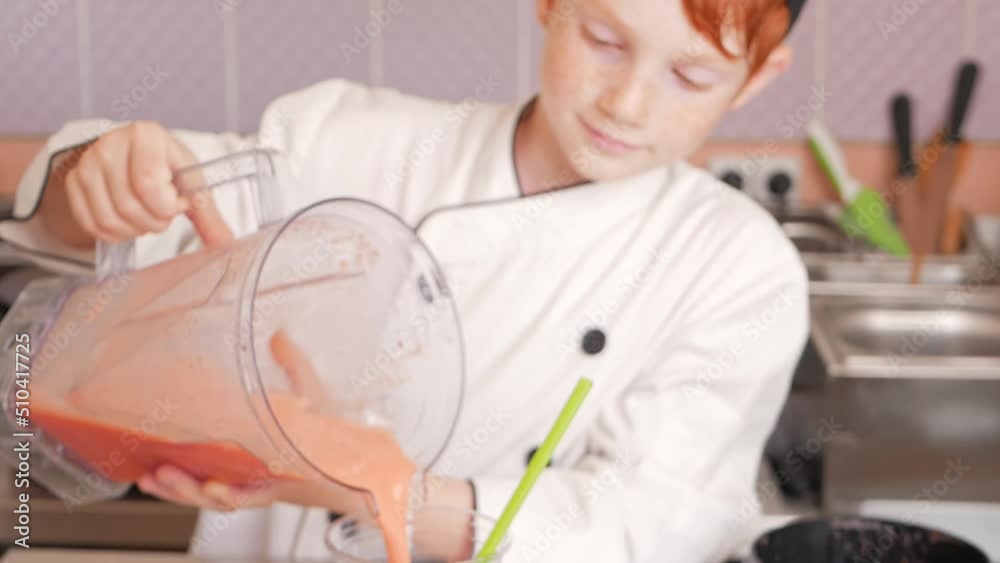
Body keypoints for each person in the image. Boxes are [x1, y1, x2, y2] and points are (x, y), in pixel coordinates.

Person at [0, 0, 811, 560]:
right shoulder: (356, 138)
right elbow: (129, 224)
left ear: (760, 75)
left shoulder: (737, 267)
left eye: (692, 77)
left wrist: (350, 483)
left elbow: (652, 524)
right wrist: (98, 176)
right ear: (551, 4)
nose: (628, 102)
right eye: (604, 37)